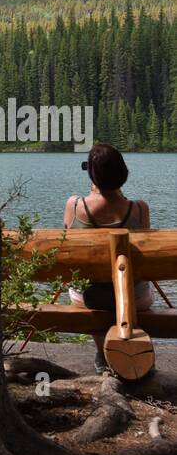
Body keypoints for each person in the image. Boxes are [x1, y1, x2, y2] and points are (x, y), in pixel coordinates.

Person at [63, 143, 153, 374]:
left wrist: (96, 190)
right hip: (134, 297)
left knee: (93, 289)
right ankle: (126, 352)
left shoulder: (74, 206)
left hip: (88, 297)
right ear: (122, 173)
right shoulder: (140, 209)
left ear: (92, 174)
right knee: (132, 290)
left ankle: (102, 355)